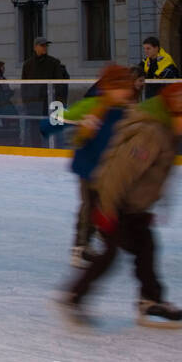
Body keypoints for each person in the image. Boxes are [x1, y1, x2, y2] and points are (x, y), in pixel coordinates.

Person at [59, 82, 182, 328]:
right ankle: (74, 297)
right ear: (174, 112)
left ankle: (150, 301)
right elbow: (119, 171)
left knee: (146, 248)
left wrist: (154, 205)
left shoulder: (167, 131)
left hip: (133, 206)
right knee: (110, 254)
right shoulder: (151, 133)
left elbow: (156, 175)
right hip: (112, 200)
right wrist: (106, 209)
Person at [42, 64, 136, 268]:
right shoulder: (92, 106)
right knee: (91, 206)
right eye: (122, 87)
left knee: (112, 205)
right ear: (110, 87)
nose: (128, 91)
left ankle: (104, 236)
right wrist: (47, 126)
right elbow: (61, 118)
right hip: (88, 168)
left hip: (111, 169)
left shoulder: (127, 111)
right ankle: (80, 247)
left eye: (128, 87)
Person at [21, 37, 68, 142]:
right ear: (35, 47)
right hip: (34, 102)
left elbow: (59, 83)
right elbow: (24, 84)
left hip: (51, 101)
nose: (45, 48)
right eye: (42, 45)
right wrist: (26, 101)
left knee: (54, 127)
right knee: (34, 128)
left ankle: (55, 149)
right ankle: (36, 148)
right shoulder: (28, 64)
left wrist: (59, 100)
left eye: (46, 45)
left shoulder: (54, 62)